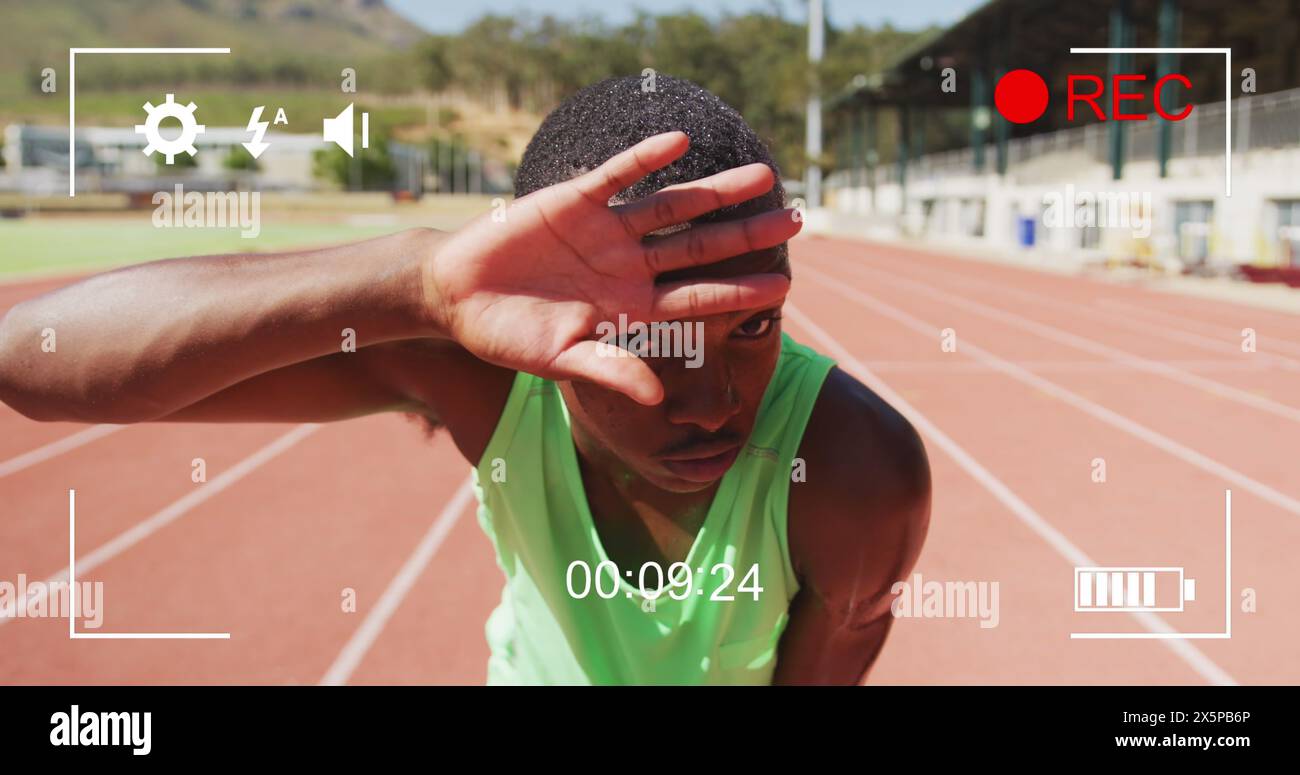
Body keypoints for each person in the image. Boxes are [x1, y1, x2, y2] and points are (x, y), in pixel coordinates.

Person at [0, 74, 930, 684]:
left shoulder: (857, 474)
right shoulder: (488, 376)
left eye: (754, 325)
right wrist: (415, 280)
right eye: (650, 341)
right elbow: (32, 360)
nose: (716, 401)